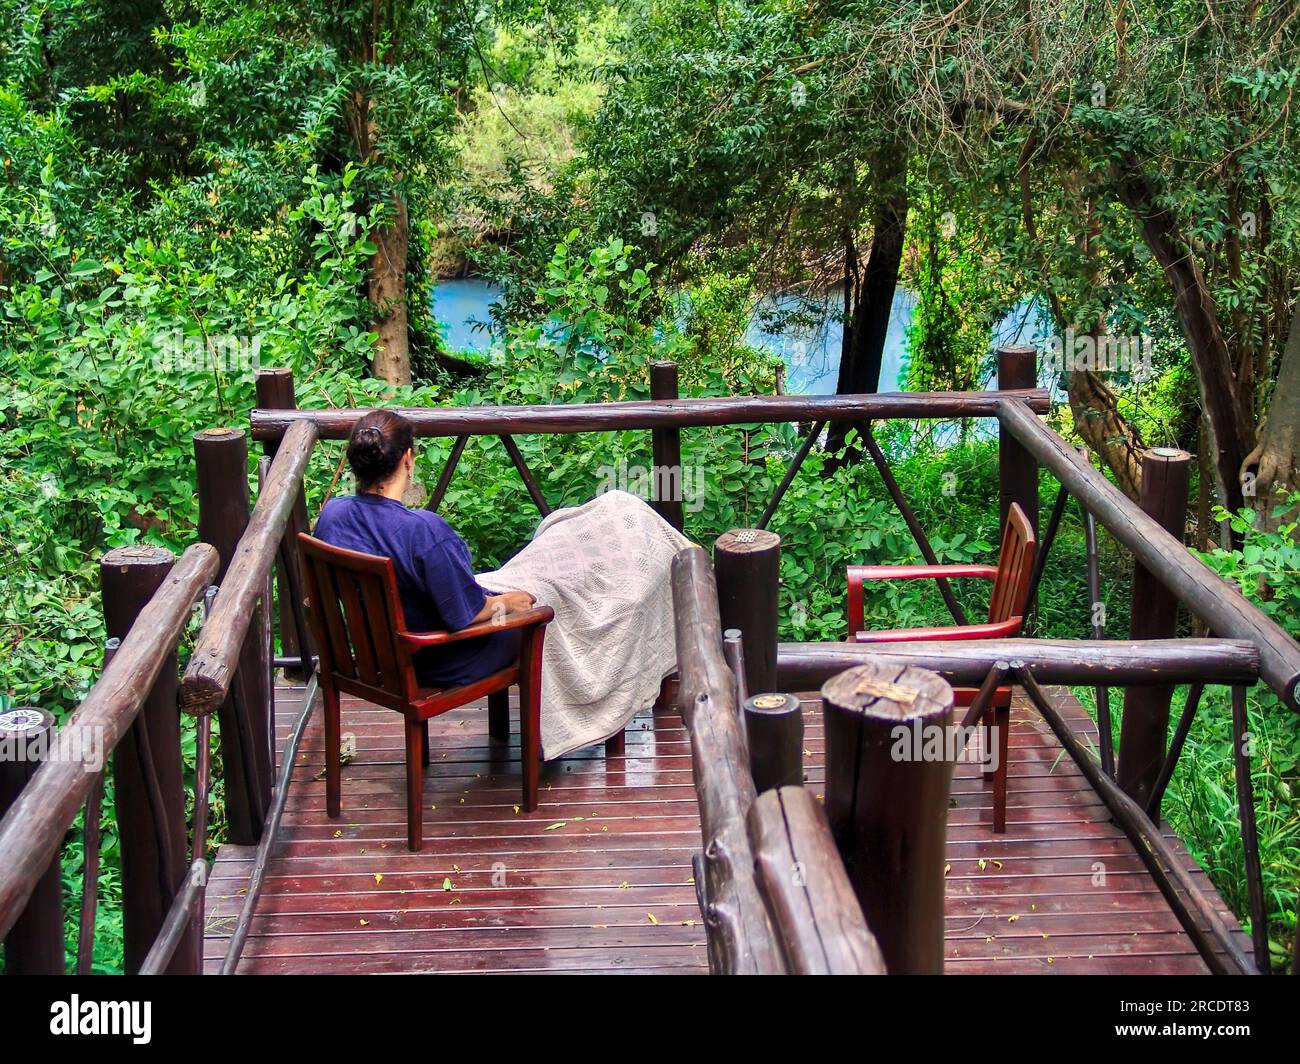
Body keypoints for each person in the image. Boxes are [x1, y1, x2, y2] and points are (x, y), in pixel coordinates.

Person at [313, 409, 535, 688]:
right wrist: (509, 603)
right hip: (434, 663)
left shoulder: (333, 514)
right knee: (538, 620)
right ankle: (558, 726)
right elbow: (464, 615)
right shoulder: (423, 530)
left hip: (376, 661)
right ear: (407, 459)